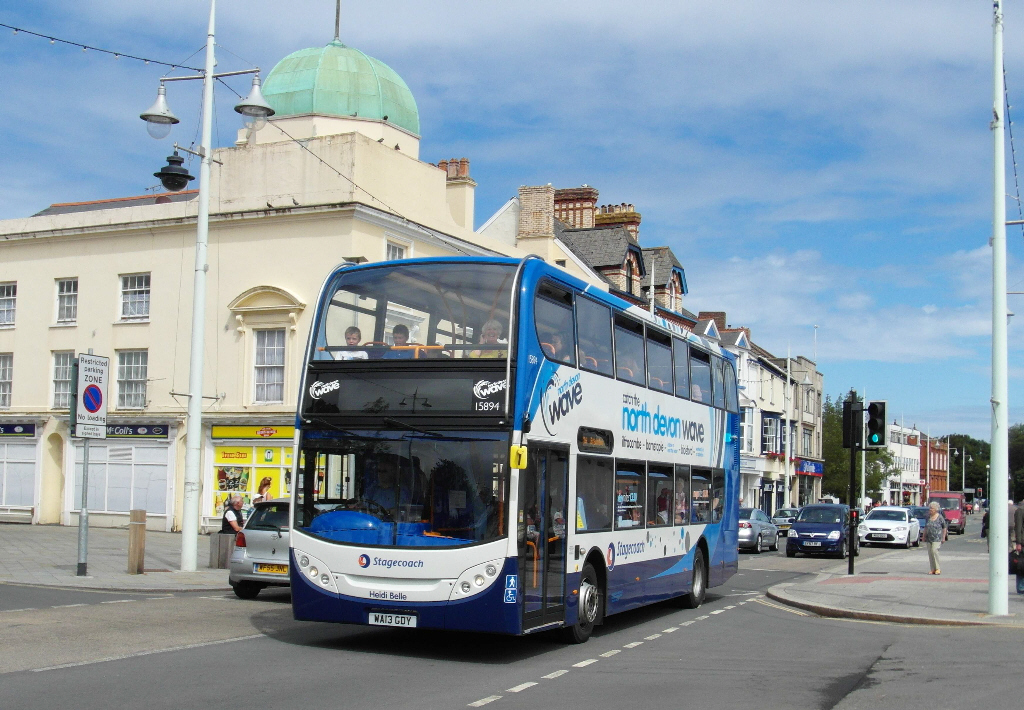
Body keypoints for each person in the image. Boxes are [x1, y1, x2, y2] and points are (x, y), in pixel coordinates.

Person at [923, 501, 947, 575]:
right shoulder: (928, 517)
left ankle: (938, 569)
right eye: (930, 508)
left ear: (936, 509)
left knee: (934, 551)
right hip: (929, 538)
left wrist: (943, 537)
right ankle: (932, 569)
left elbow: (944, 527)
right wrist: (923, 537)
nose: (930, 510)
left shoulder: (940, 517)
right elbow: (926, 527)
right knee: (930, 553)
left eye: (932, 509)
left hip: (937, 538)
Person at [1015, 498, 1024, 594]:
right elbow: (1018, 527)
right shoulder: (1020, 510)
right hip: (1023, 542)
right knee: (1021, 565)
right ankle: (1021, 587)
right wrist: (1018, 543)